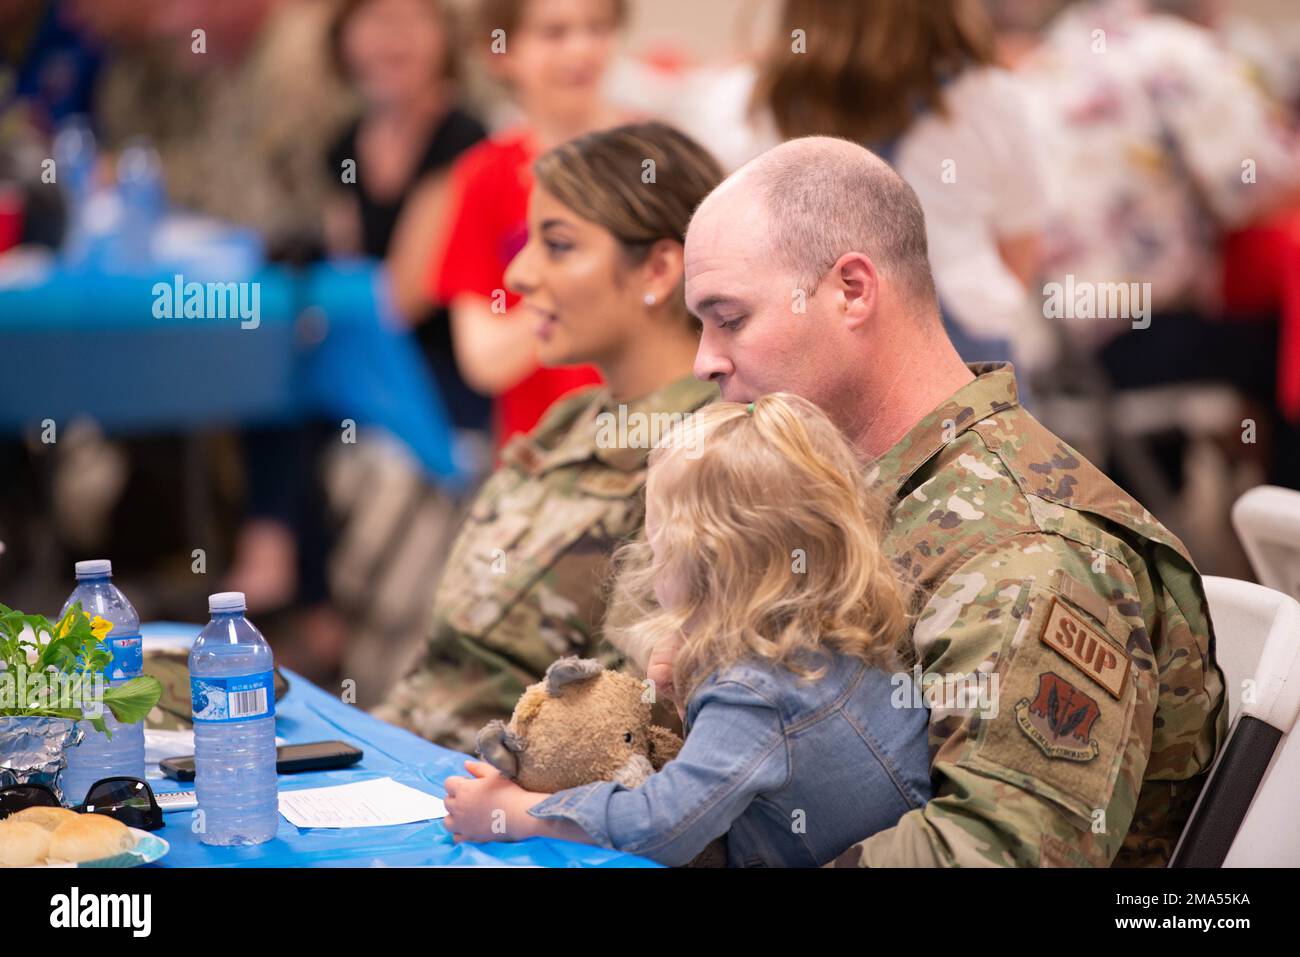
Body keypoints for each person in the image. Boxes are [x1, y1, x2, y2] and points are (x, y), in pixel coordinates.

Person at [623, 135, 1228, 868]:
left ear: (852, 290)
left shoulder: (1030, 553)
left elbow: (992, 854)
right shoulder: (838, 497)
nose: (704, 361)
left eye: (730, 318)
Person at [441, 394, 932, 867]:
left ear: (707, 564)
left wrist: (515, 812)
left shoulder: (754, 690)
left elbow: (662, 829)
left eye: (658, 551)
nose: (651, 569)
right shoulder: (826, 632)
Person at [372, 122, 723, 751]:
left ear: (660, 268)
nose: (519, 273)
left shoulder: (705, 458)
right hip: (415, 752)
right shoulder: (574, 419)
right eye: (523, 242)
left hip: (508, 805)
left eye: (557, 246)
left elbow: (628, 731)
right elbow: (447, 660)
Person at [428, 0, 635, 447]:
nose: (580, 48)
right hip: (544, 464)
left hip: (651, 448)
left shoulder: (656, 158)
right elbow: (484, 360)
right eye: (554, 33)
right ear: (500, 52)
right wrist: (579, 277)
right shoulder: (485, 176)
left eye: (597, 28)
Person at [325, 0, 491, 434]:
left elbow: (405, 297)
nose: (395, 37)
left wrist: (332, 303)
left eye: (416, 18)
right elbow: (346, 270)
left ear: (443, 37)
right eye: (378, 19)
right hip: (370, 356)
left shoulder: (462, 140)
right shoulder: (345, 145)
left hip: (447, 368)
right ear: (345, 36)